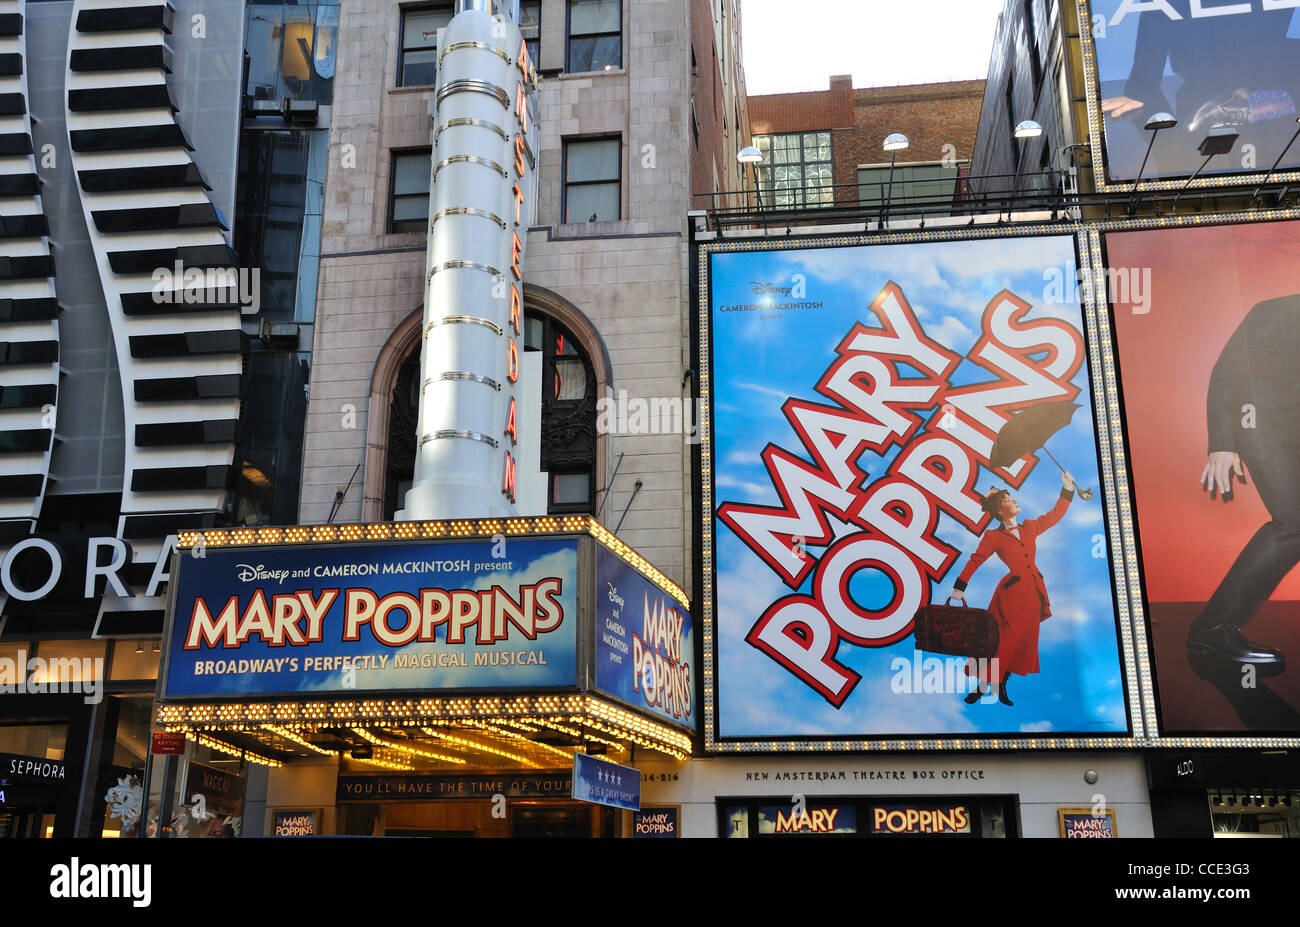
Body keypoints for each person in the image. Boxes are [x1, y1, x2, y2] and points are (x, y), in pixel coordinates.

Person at [1186, 294, 1300, 668]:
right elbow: (1228, 371)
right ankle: (1212, 628)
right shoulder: (1278, 310)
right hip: (1265, 430)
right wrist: (1222, 444)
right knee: (1294, 525)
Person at [1100, 2, 1300, 169]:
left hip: (1267, 64)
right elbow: (1159, 10)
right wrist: (1141, 86)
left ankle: (1254, 105)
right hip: (1203, 73)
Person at [951, 471, 1075, 706]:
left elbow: (1055, 514)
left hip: (1033, 595)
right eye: (1008, 500)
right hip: (1010, 597)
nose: (1014, 501)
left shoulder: (1030, 527)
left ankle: (1001, 686)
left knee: (1019, 643)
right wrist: (960, 586)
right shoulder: (993, 536)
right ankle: (982, 687)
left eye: (1012, 499)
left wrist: (1067, 488)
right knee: (999, 642)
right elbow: (976, 559)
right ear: (1000, 511)